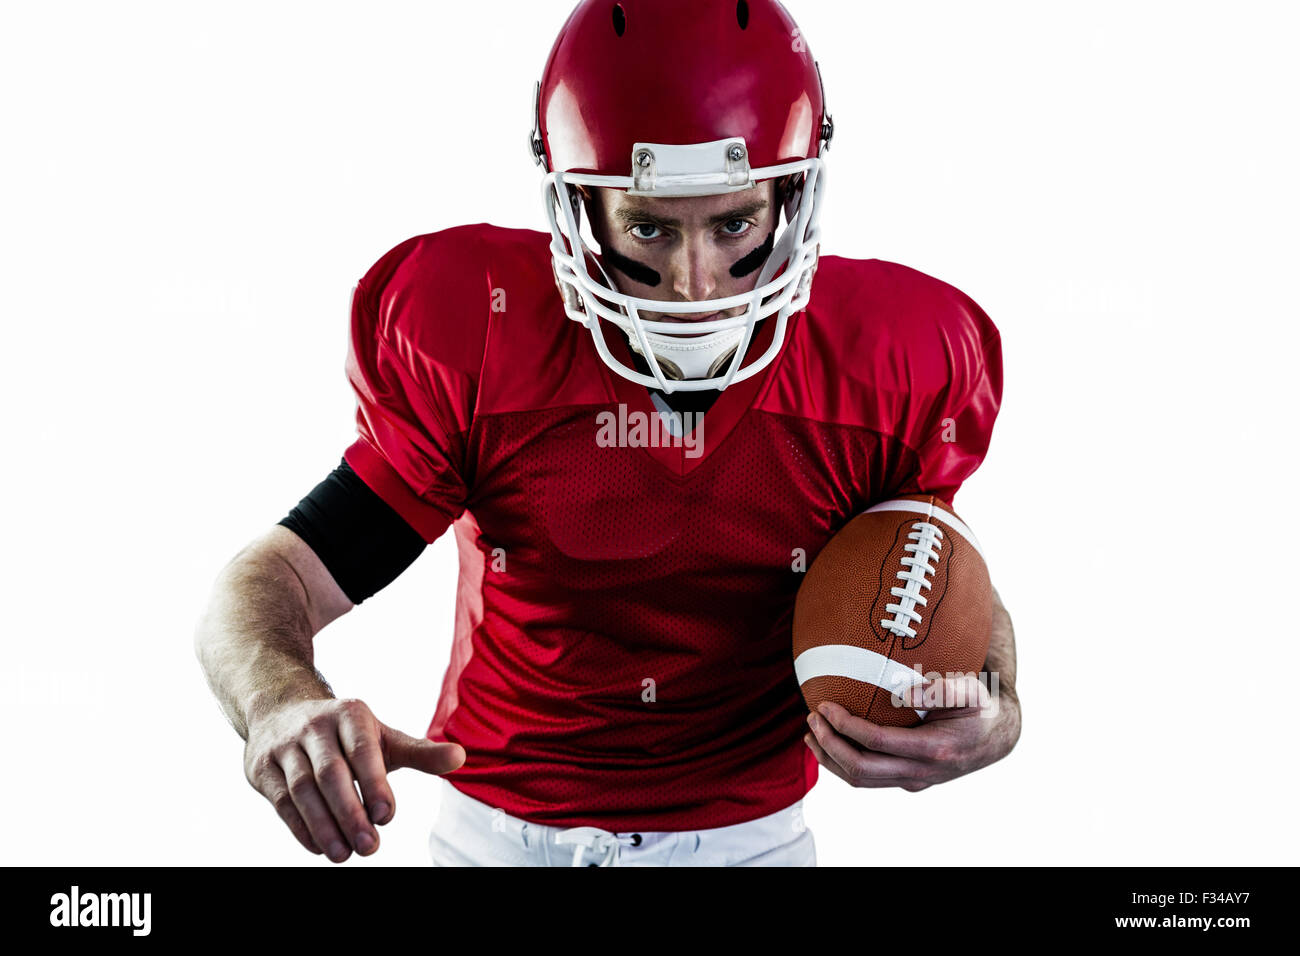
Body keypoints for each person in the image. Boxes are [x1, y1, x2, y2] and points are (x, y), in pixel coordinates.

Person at [194, 0, 1020, 868]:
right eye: (651, 226)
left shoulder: (887, 358)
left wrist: (997, 694)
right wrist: (280, 700)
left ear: (792, 194)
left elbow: (931, 563)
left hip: (742, 840)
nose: (695, 286)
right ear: (579, 210)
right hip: (497, 829)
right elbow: (278, 573)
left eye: (733, 223)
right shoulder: (482, 332)